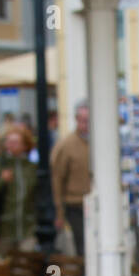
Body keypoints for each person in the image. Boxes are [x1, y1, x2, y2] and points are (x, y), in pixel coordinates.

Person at [0, 124, 38, 255]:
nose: (11, 145)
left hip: (27, 226)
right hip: (4, 227)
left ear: (25, 145)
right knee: (6, 266)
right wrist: (1, 180)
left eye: (16, 142)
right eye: (9, 142)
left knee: (26, 265)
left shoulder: (32, 168)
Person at [51, 100, 91, 256]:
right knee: (82, 245)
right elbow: (57, 179)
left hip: (97, 203)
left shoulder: (100, 141)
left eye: (88, 121)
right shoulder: (66, 145)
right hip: (76, 204)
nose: (86, 125)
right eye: (83, 121)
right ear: (76, 120)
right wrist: (59, 213)